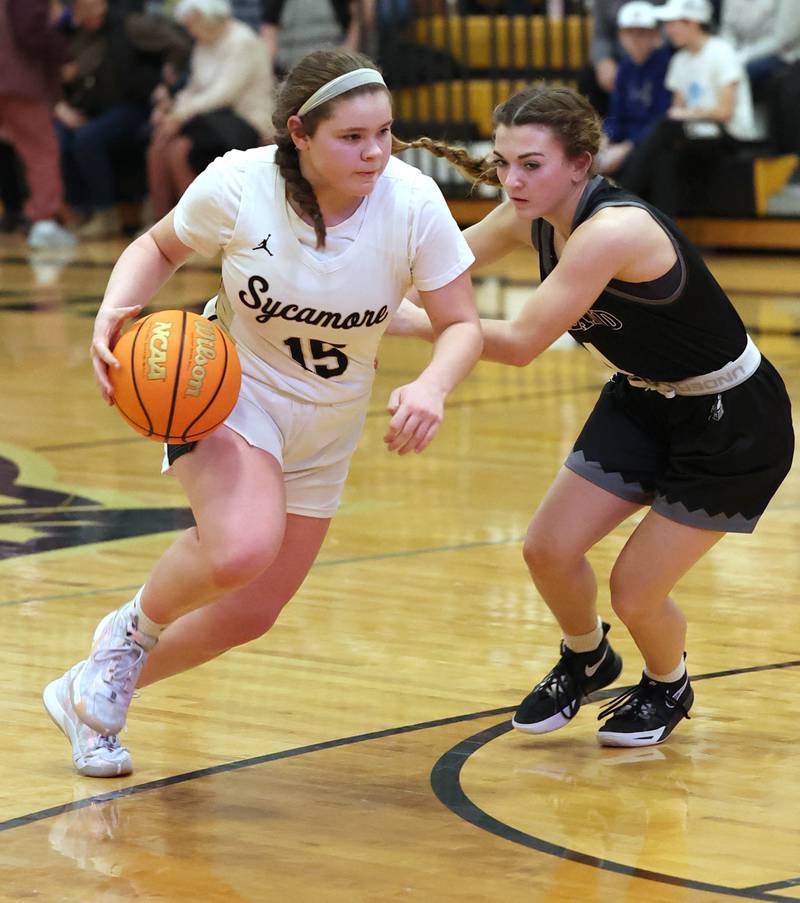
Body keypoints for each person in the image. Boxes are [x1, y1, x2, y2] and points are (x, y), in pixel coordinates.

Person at [42, 49, 483, 777]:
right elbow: (158, 248)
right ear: (299, 133)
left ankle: (91, 687)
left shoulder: (412, 202)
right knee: (242, 545)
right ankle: (125, 634)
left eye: (384, 132)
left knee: (249, 613)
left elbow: (461, 322)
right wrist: (115, 308)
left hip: (329, 420)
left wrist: (433, 385)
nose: (374, 150)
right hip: (229, 390)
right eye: (352, 136)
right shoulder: (240, 183)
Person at [388, 82, 794, 747]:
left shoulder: (613, 230)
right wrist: (355, 309)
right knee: (546, 549)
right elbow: (437, 266)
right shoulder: (529, 215)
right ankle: (588, 656)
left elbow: (521, 343)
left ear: (580, 164)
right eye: (504, 162)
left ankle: (669, 682)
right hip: (641, 398)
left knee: (635, 590)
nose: (512, 180)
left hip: (731, 420)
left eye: (531, 164)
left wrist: (410, 326)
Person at [55, 0, 191, 239]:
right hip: (90, 107)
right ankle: (80, 212)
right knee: (61, 138)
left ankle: (105, 214)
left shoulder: (131, 24)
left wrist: (169, 75)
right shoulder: (73, 33)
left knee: (88, 139)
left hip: (133, 106)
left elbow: (178, 43)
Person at [617, 0, 762, 216]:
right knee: (664, 160)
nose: (667, 30)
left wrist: (687, 114)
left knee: (666, 128)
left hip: (729, 134)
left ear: (692, 22)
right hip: (696, 133)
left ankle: (622, 195)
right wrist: (682, 115)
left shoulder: (722, 52)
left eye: (673, 23)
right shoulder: (680, 60)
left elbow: (725, 112)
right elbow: (677, 109)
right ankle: (665, 231)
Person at [147, 0, 274, 221]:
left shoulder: (242, 41)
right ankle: (164, 224)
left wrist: (180, 115)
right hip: (209, 119)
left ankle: (196, 224)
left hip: (246, 119)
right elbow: (194, 88)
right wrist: (171, 111)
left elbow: (223, 93)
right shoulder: (202, 43)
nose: (190, 30)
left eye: (193, 23)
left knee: (180, 150)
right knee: (159, 146)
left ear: (210, 17)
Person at [0, 0, 77, 249]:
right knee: (42, 151)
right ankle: (44, 223)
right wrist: (65, 56)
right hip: (16, 82)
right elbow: (30, 30)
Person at [597, 1, 672, 178]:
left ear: (655, 35)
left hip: (650, 142)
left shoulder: (665, 65)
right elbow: (616, 114)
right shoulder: (624, 68)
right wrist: (606, 138)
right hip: (627, 141)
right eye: (629, 33)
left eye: (642, 33)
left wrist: (628, 146)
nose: (635, 40)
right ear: (620, 36)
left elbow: (661, 119)